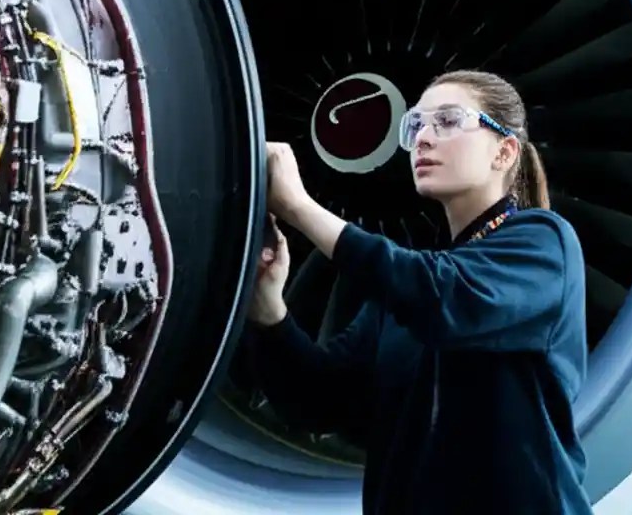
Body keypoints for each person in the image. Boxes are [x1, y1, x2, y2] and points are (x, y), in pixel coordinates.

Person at [247, 69, 592, 515]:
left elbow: (446, 301)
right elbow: (317, 403)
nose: (423, 139)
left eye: (448, 121)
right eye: (416, 125)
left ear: (504, 151)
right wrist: (269, 311)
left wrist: (299, 207)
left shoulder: (543, 245)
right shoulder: (403, 296)